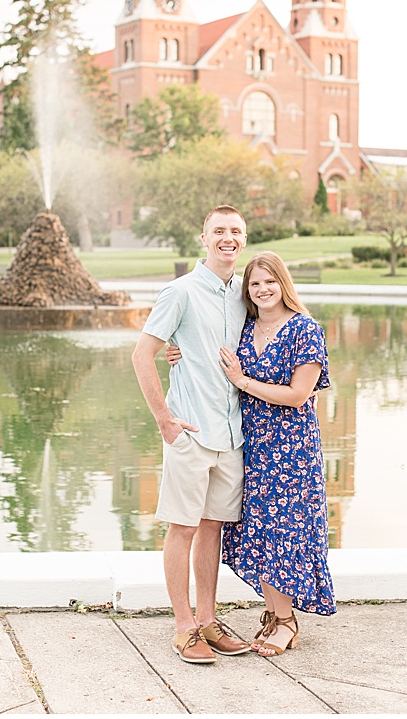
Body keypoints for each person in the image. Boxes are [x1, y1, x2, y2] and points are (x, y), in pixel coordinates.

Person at [172, 251, 335, 655]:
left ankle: (286, 621)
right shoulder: (244, 329)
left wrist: (243, 381)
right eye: (254, 284)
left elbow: (299, 395)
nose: (262, 290)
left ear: (284, 284)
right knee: (261, 531)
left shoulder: (304, 330)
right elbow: (199, 344)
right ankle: (272, 614)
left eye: (270, 282)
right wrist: (173, 350)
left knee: (286, 531)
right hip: (252, 446)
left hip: (292, 449)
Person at [131, 205, 253, 664]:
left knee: (212, 528)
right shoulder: (179, 292)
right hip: (191, 430)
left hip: (232, 434)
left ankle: (207, 620)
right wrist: (165, 420)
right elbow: (143, 355)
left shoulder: (244, 294)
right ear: (204, 238)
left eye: (235, 232)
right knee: (182, 528)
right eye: (219, 231)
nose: (228, 238)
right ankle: (183, 627)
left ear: (244, 239)